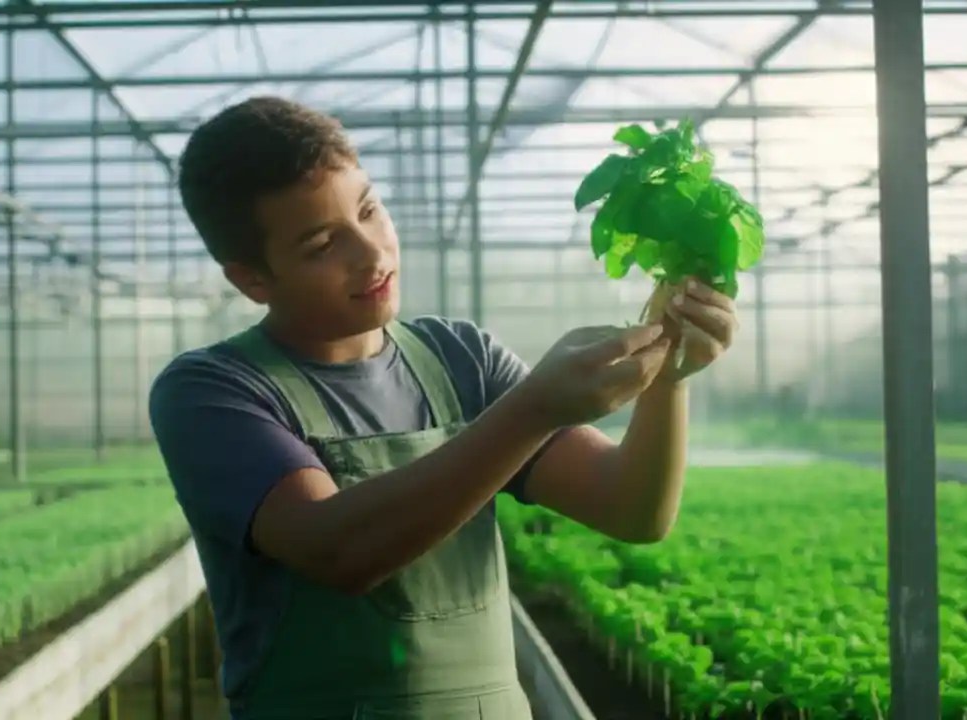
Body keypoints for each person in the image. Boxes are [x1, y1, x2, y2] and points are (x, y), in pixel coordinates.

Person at [149, 96, 740, 720]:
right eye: (323, 245)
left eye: (369, 210)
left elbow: (632, 508)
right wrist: (534, 408)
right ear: (253, 280)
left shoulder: (462, 359)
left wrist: (670, 377)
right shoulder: (212, 391)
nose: (371, 253)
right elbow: (339, 550)